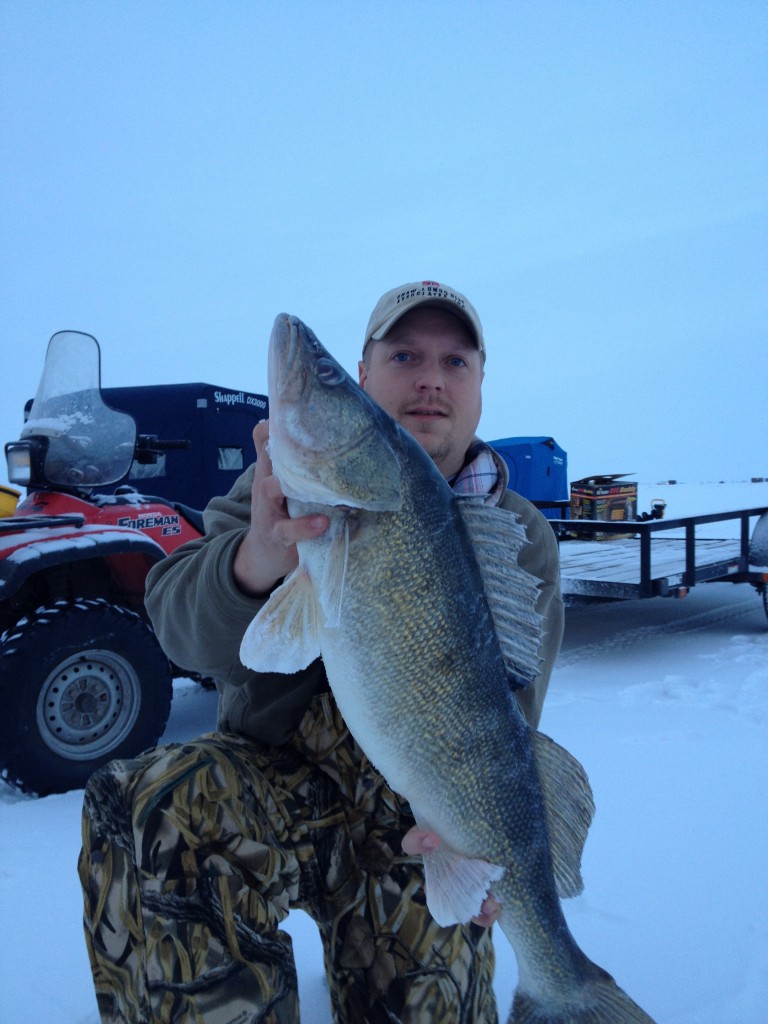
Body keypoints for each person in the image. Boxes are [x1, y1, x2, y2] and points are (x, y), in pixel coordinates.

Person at [78, 281, 564, 1024]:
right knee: (153, 801)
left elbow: (509, 722)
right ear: (366, 381)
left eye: (454, 361)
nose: (431, 378)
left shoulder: (519, 534)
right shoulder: (276, 490)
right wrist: (256, 558)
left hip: (416, 823)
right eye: (404, 355)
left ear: (479, 385)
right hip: (276, 785)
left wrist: (485, 849)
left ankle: (564, 986)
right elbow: (178, 627)